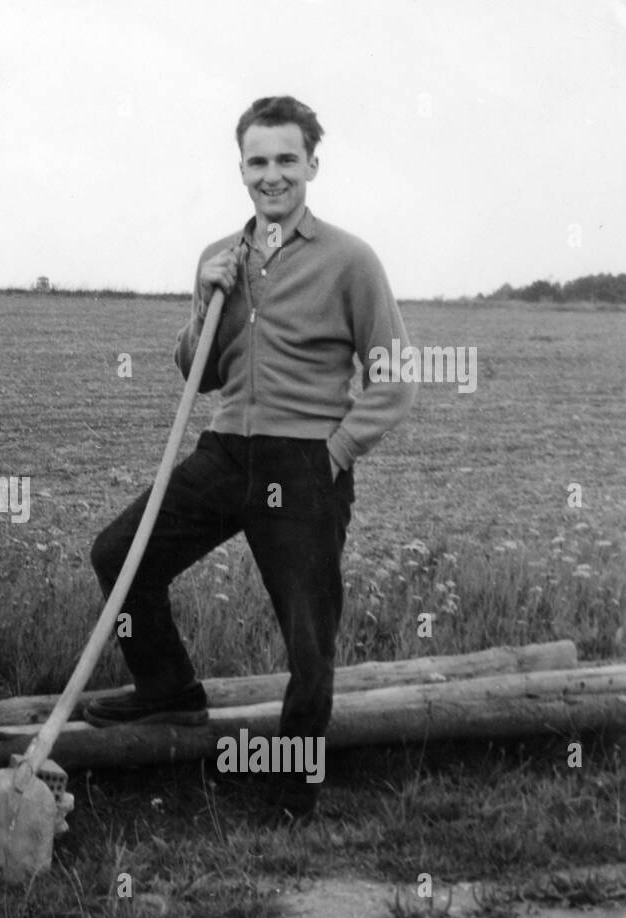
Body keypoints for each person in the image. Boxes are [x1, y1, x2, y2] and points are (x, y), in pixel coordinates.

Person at [84, 96, 417, 823]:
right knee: (119, 555)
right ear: (240, 168)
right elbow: (198, 373)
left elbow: (395, 377)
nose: (273, 175)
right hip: (227, 449)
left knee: (308, 634)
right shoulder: (219, 256)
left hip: (305, 463)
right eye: (258, 161)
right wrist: (205, 302)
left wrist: (334, 454)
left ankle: (292, 792)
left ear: (312, 165)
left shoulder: (351, 260)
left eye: (287, 159)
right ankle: (169, 690)